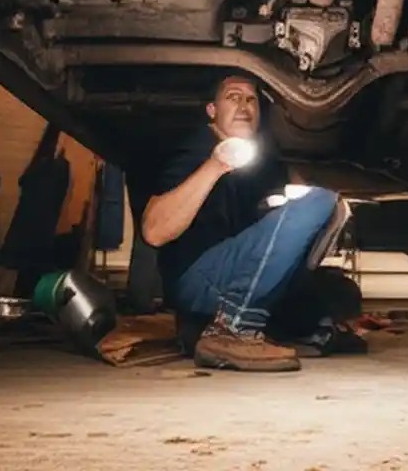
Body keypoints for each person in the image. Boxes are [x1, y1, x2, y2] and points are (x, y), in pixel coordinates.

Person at [141, 73, 342, 372]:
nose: (244, 106)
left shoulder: (258, 163)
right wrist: (215, 165)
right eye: (233, 97)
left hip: (227, 276)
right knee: (320, 199)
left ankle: (205, 327)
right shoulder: (199, 149)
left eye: (251, 100)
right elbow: (153, 231)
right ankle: (234, 328)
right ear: (212, 111)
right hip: (198, 276)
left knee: (339, 291)